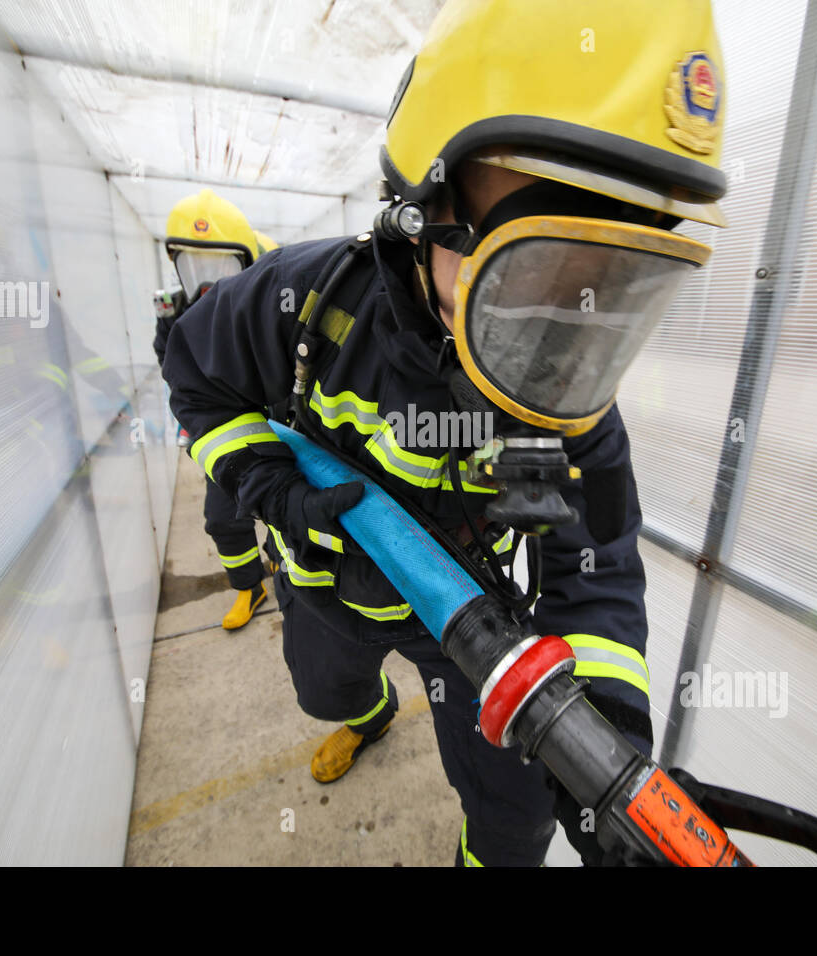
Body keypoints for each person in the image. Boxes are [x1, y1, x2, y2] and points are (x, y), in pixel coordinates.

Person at [163, 0, 727, 865]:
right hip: (321, 592)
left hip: (467, 629)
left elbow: (596, 557)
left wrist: (607, 733)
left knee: (514, 821)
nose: (565, 317)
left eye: (608, 281)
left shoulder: (566, 393)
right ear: (420, 207)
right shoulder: (300, 302)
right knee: (324, 694)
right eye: (535, 259)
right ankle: (369, 716)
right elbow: (195, 378)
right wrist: (267, 483)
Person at [153, 188, 276, 630]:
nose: (207, 281)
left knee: (288, 512)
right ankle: (249, 586)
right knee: (223, 519)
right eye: (193, 265)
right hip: (225, 431)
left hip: (279, 426)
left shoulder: (262, 303)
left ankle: (280, 562)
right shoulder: (173, 316)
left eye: (219, 267)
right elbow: (175, 375)